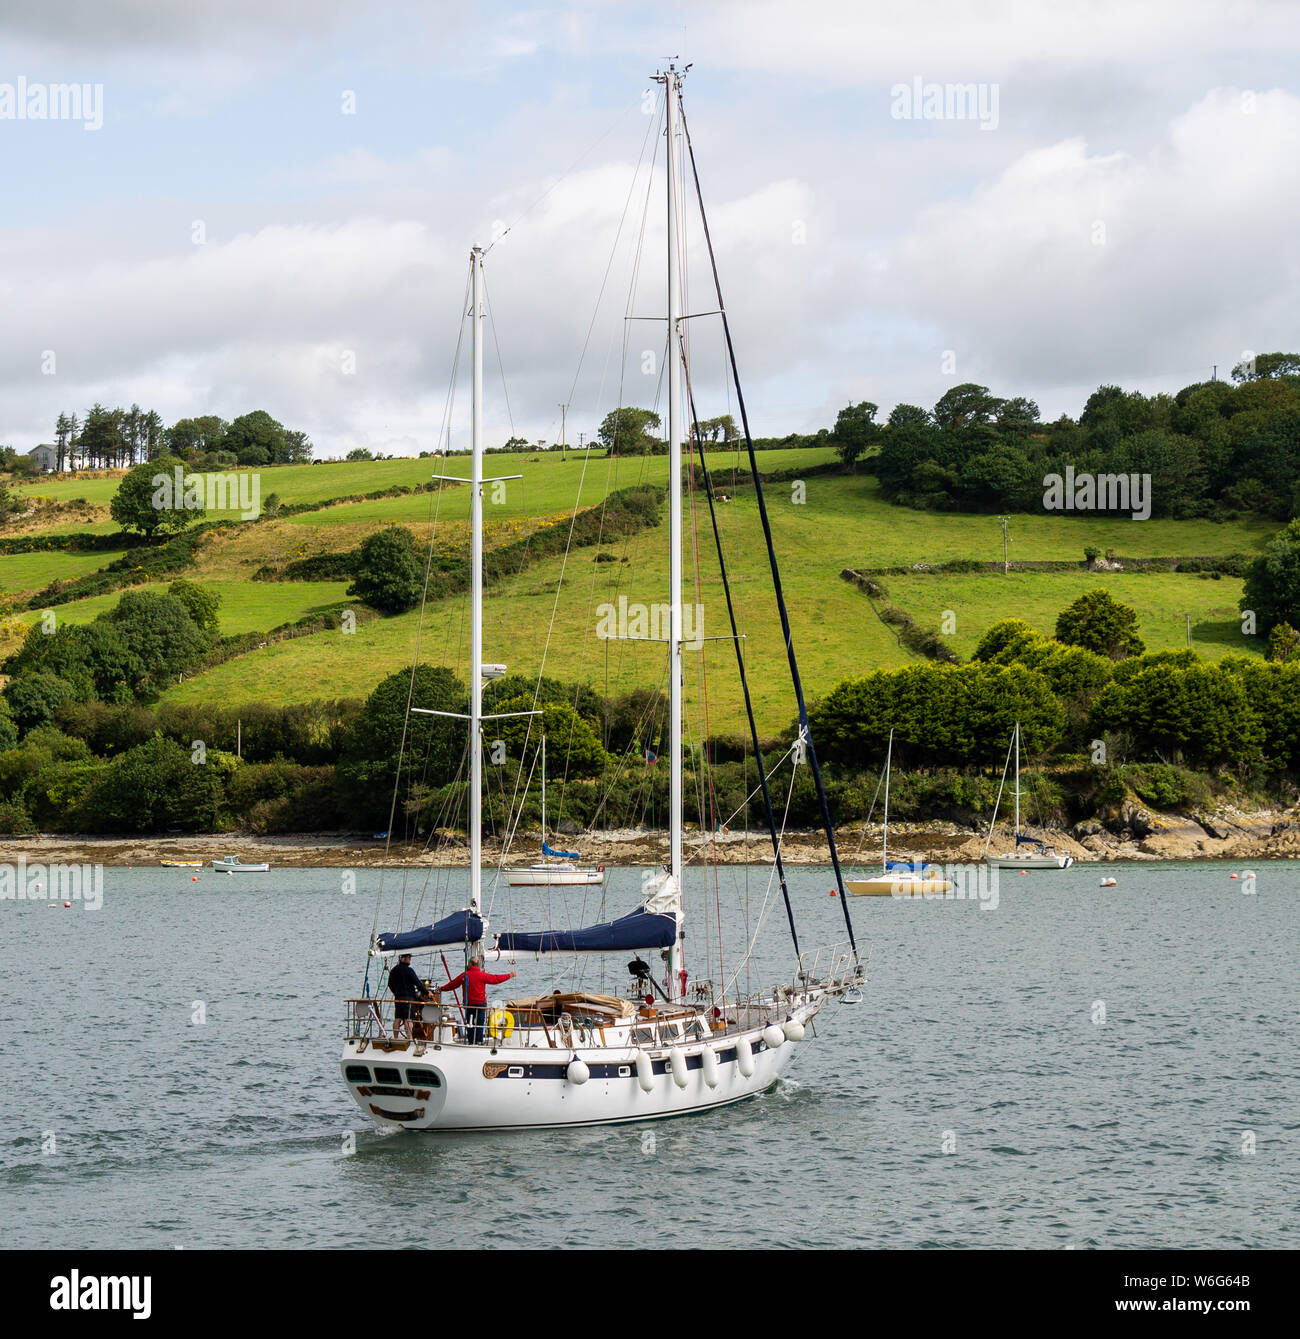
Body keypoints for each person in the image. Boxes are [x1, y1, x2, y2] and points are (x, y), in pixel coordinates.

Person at [439, 949, 515, 1045]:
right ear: (478, 965)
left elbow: (452, 985)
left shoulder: (464, 975)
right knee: (480, 1024)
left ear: (469, 964)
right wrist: (510, 975)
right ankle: (479, 1041)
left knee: (469, 1023)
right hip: (480, 1004)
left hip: (469, 1005)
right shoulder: (482, 975)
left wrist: (441, 989)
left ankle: (471, 1041)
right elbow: (496, 979)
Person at [388, 952, 428, 1039]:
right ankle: (409, 1038)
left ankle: (395, 1038)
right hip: (408, 999)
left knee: (397, 1018)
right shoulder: (409, 970)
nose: (410, 959)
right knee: (408, 1019)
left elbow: (390, 984)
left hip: (398, 999)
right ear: (402, 958)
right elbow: (418, 983)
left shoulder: (393, 970)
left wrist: (396, 992)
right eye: (408, 957)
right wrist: (427, 992)